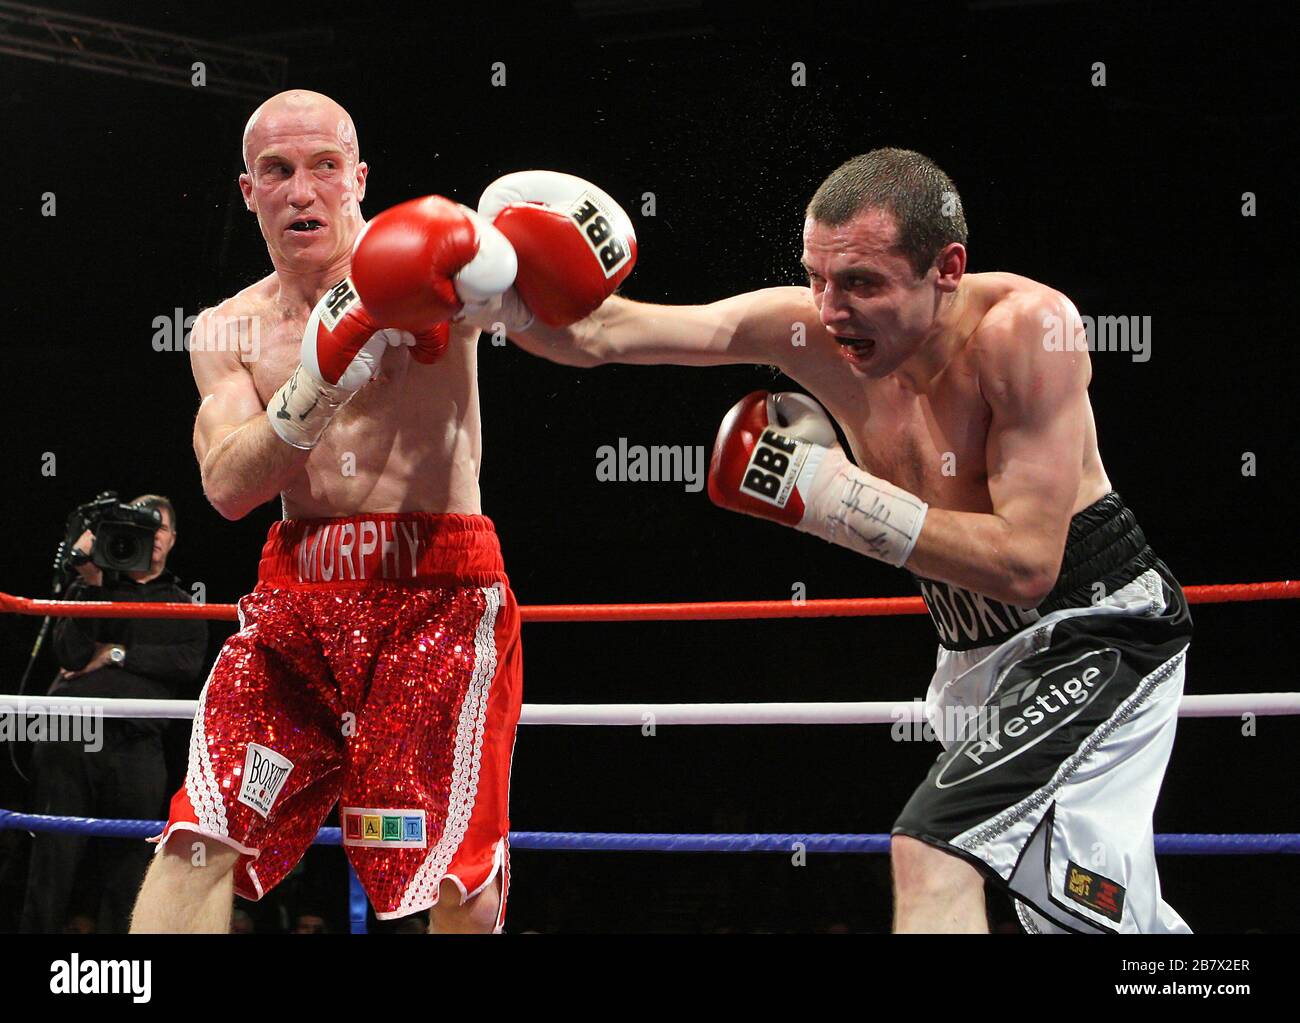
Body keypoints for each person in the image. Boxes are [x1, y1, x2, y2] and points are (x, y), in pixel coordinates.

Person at [477, 152, 1191, 933]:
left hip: (1095, 632)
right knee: (1081, 913)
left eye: (861, 283)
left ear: (946, 269)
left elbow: (1027, 565)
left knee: (933, 849)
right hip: (969, 652)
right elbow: (603, 332)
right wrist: (482, 294)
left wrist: (829, 496)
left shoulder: (1027, 331)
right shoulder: (808, 328)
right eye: (817, 277)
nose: (831, 308)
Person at [128, 91, 630, 934]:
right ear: (248, 191)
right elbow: (227, 486)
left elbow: (588, 331)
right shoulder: (225, 331)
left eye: (325, 168)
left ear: (359, 179)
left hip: (435, 591)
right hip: (297, 604)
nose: (302, 192)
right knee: (199, 829)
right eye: (277, 172)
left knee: (448, 880)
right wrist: (316, 382)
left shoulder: (440, 267)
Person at [22, 495, 208, 933]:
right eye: (144, 528)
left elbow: (187, 663)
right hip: (70, 734)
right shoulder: (94, 587)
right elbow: (68, 653)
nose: (153, 538)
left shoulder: (183, 603)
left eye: (160, 528)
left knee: (130, 869)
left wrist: (116, 654)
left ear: (173, 538)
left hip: (137, 747)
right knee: (52, 862)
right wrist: (88, 583)